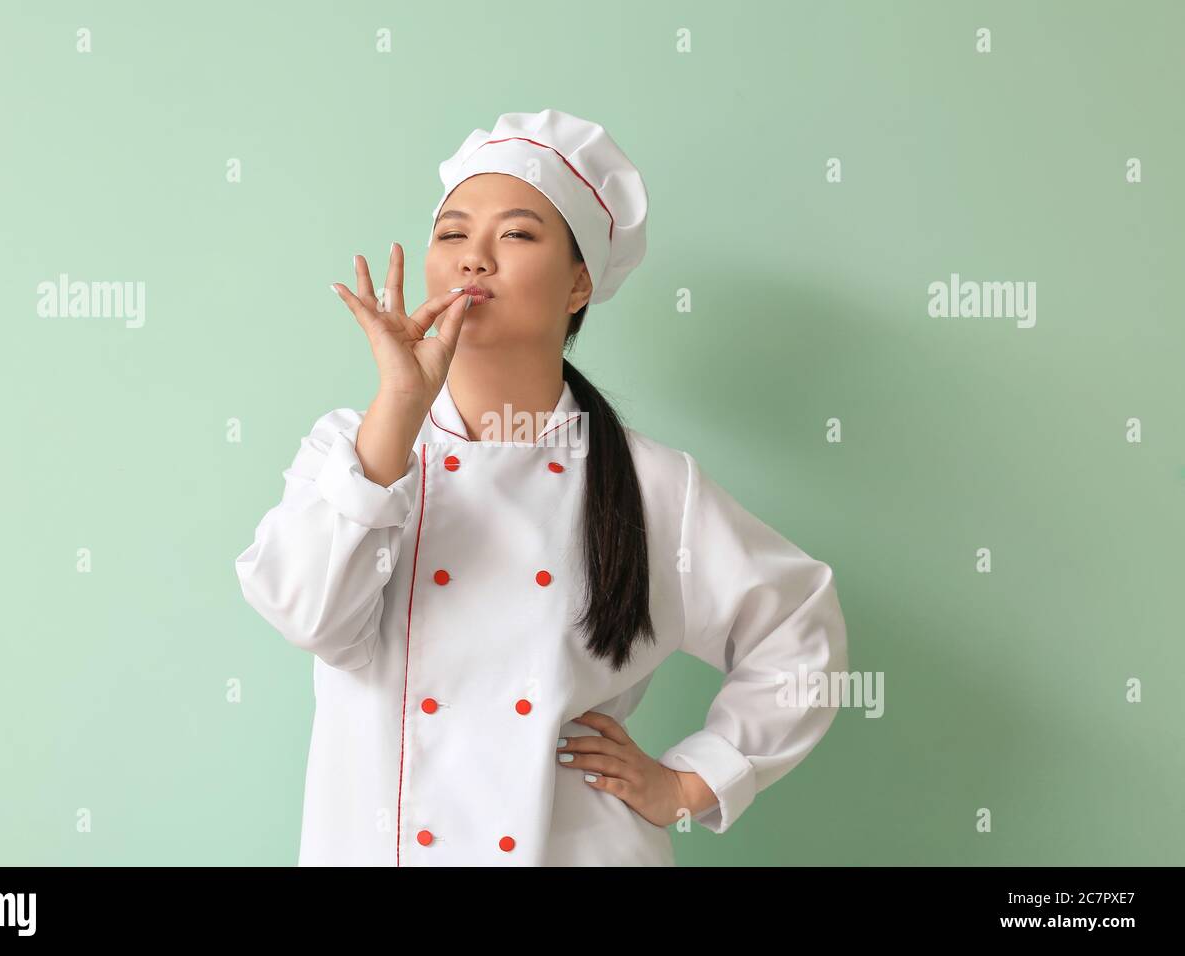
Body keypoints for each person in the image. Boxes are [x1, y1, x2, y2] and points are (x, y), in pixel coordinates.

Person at [234, 108, 848, 866]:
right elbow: (311, 617)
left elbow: (797, 629)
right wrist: (397, 409)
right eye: (452, 234)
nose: (474, 258)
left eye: (517, 235)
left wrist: (691, 783)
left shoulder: (651, 484)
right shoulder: (352, 450)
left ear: (579, 282)